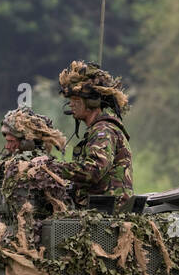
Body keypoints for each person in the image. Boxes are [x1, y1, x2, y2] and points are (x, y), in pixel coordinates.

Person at [57, 60, 134, 210]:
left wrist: (53, 168)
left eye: (76, 100)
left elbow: (94, 171)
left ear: (92, 103)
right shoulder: (98, 129)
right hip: (100, 212)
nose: (71, 104)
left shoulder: (103, 130)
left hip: (108, 217)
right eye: (70, 100)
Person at [0, 105, 66, 155]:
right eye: (7, 141)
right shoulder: (11, 159)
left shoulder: (40, 163)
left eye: (11, 141)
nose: (7, 146)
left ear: (25, 143)